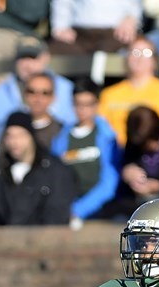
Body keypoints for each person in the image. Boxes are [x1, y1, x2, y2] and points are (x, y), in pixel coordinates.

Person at [0, 111, 79, 227]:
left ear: (31, 137)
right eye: (10, 136)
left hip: (42, 240)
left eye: (21, 135)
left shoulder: (55, 171)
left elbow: (57, 214)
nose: (15, 142)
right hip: (4, 241)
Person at [51, 77, 119, 227]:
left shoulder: (107, 138)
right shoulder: (61, 139)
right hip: (67, 211)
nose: (82, 109)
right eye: (77, 104)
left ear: (97, 105)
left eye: (88, 104)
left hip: (100, 212)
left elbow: (109, 184)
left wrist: (78, 210)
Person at [96, 36, 159, 149]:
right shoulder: (109, 94)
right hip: (114, 150)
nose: (140, 58)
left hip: (146, 152)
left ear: (154, 60)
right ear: (127, 57)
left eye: (146, 53)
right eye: (135, 52)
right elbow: (101, 127)